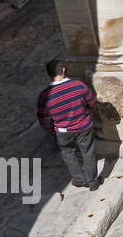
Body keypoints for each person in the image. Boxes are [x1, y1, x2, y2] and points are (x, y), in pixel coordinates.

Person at [37, 58, 101, 191]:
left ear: (49, 74)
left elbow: (44, 118)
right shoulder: (78, 86)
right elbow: (92, 103)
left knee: (68, 154)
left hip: (62, 131)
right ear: (64, 70)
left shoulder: (44, 96)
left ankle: (79, 180)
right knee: (88, 152)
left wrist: (53, 129)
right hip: (83, 126)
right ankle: (93, 182)